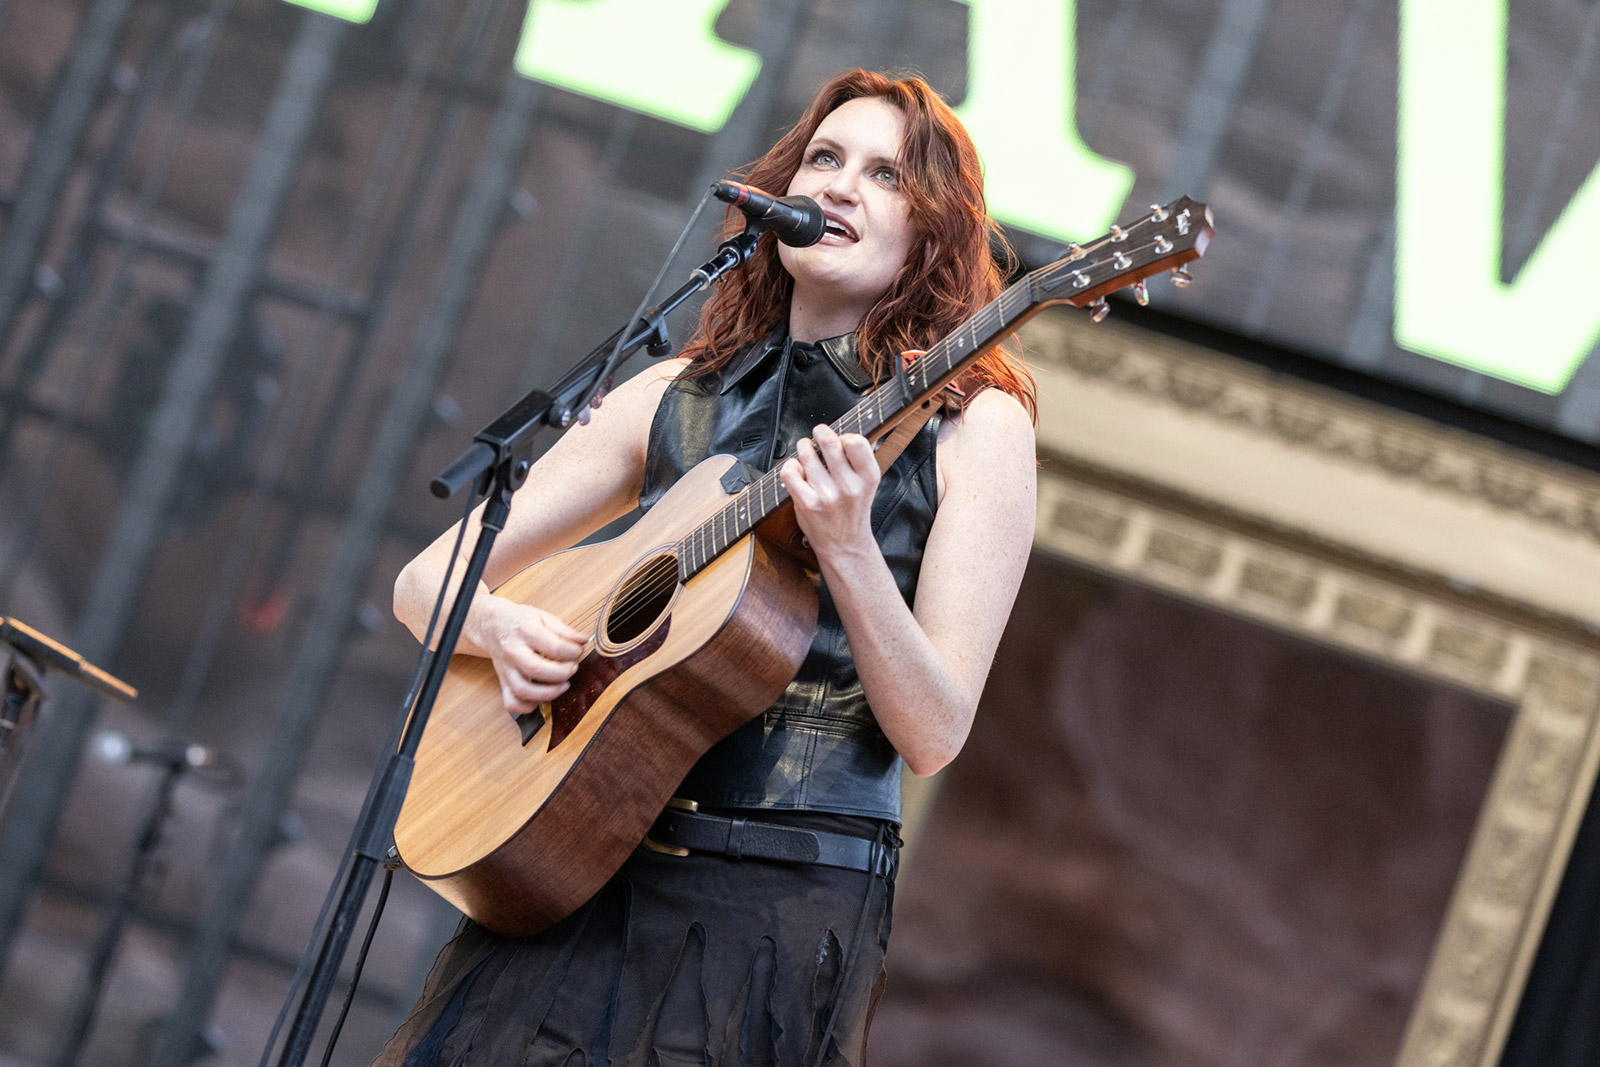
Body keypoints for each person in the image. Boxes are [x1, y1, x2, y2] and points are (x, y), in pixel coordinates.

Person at [377, 69, 1037, 1067]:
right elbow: (427, 581)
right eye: (824, 159)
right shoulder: (671, 395)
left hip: (771, 902)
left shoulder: (975, 424)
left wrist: (852, 551)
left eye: (885, 175)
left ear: (934, 231)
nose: (841, 186)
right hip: (584, 855)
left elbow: (935, 730)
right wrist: (505, 630)